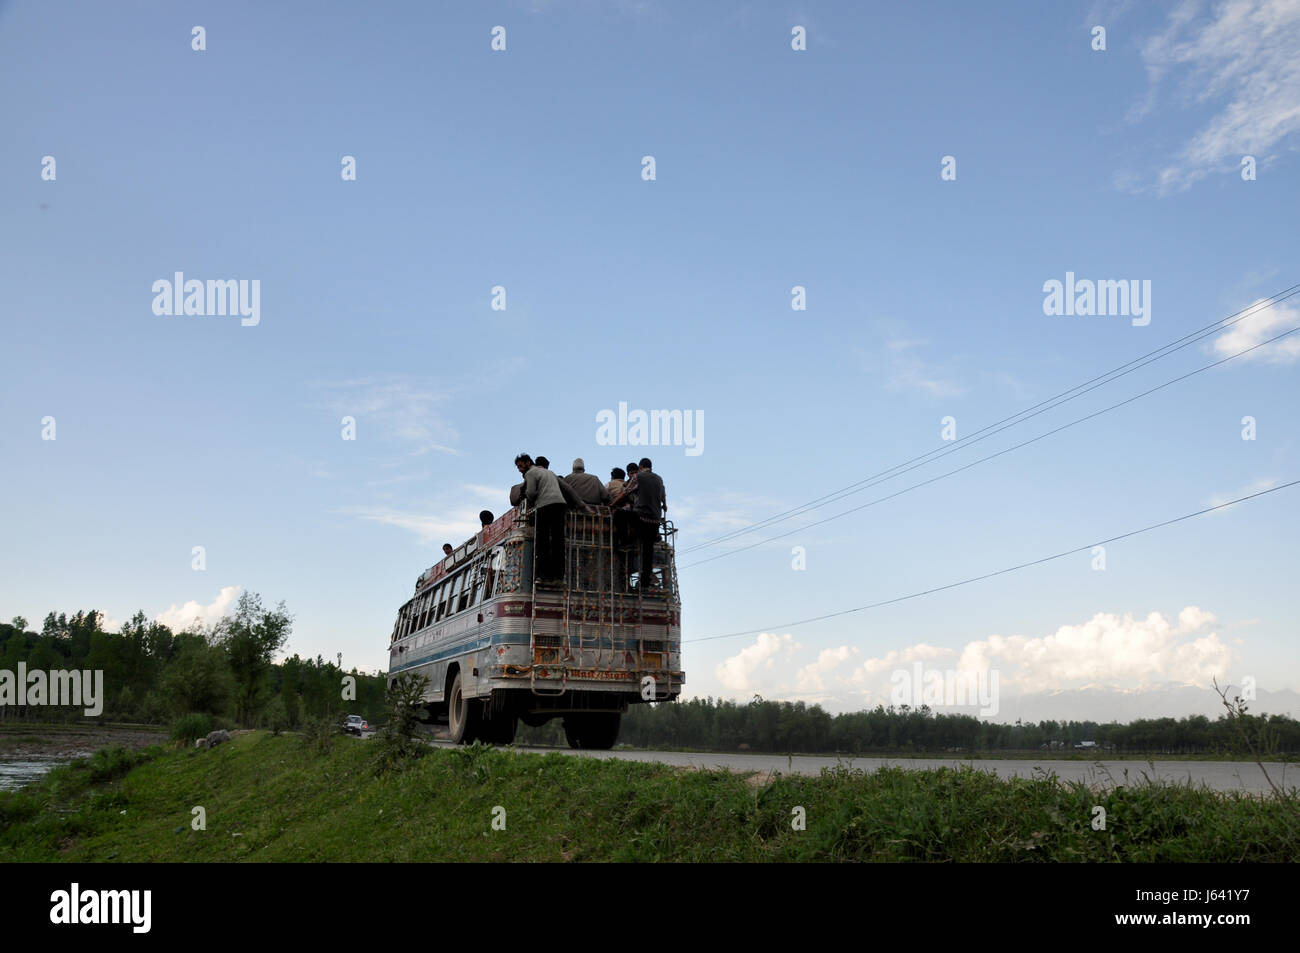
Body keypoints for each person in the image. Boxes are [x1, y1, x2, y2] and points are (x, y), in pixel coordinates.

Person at [516, 453, 567, 585]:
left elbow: (531, 493)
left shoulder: (531, 473)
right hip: (560, 505)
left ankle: (543, 576)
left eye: (520, 466)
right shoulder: (549, 472)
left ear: (528, 463)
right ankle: (558, 577)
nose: (520, 469)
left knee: (542, 542)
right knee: (558, 542)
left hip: (545, 506)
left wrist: (527, 494)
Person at [631, 458, 666, 589]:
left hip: (642, 518)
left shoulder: (638, 477)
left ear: (641, 467)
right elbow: (663, 497)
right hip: (656, 519)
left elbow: (625, 491)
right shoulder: (659, 479)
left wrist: (613, 504)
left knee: (623, 515)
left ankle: (626, 540)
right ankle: (645, 581)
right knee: (648, 550)